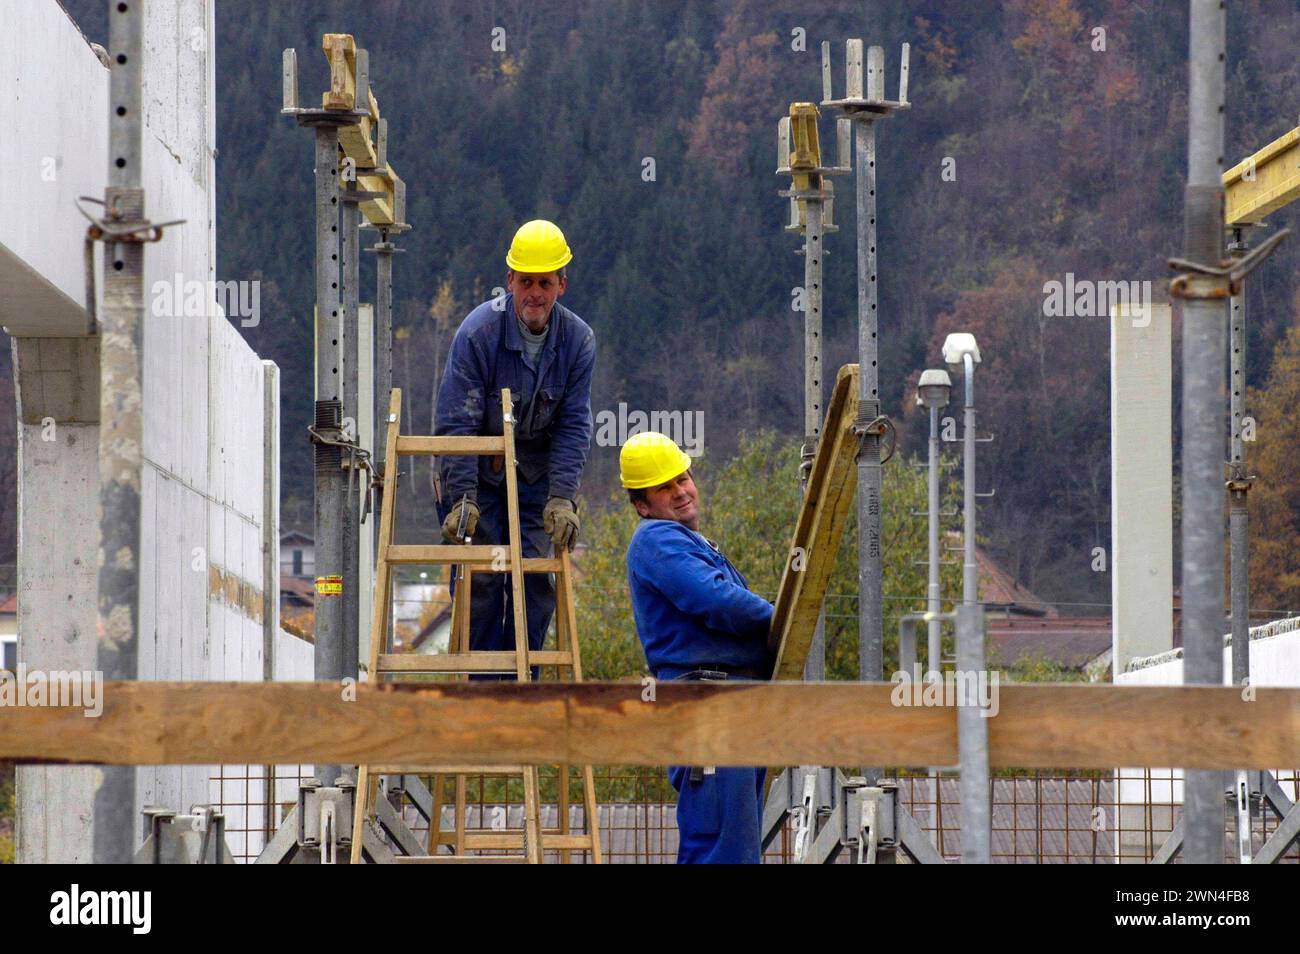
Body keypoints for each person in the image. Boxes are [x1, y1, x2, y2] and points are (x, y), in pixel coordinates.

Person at [434, 220, 595, 667]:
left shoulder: (578, 341)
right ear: (510, 281)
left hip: (536, 480)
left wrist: (562, 498)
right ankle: (482, 695)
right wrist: (461, 499)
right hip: (477, 475)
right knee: (481, 581)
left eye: (545, 283)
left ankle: (524, 687)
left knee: (536, 581)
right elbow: (456, 421)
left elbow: (573, 424)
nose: (535, 294)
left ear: (561, 284)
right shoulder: (478, 333)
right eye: (526, 282)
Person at [621, 431, 774, 863]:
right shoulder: (656, 539)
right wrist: (782, 617)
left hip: (730, 704)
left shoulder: (690, 543)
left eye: (683, 478)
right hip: (709, 705)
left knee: (733, 847)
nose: (681, 491)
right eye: (664, 487)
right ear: (642, 505)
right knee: (720, 849)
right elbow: (718, 601)